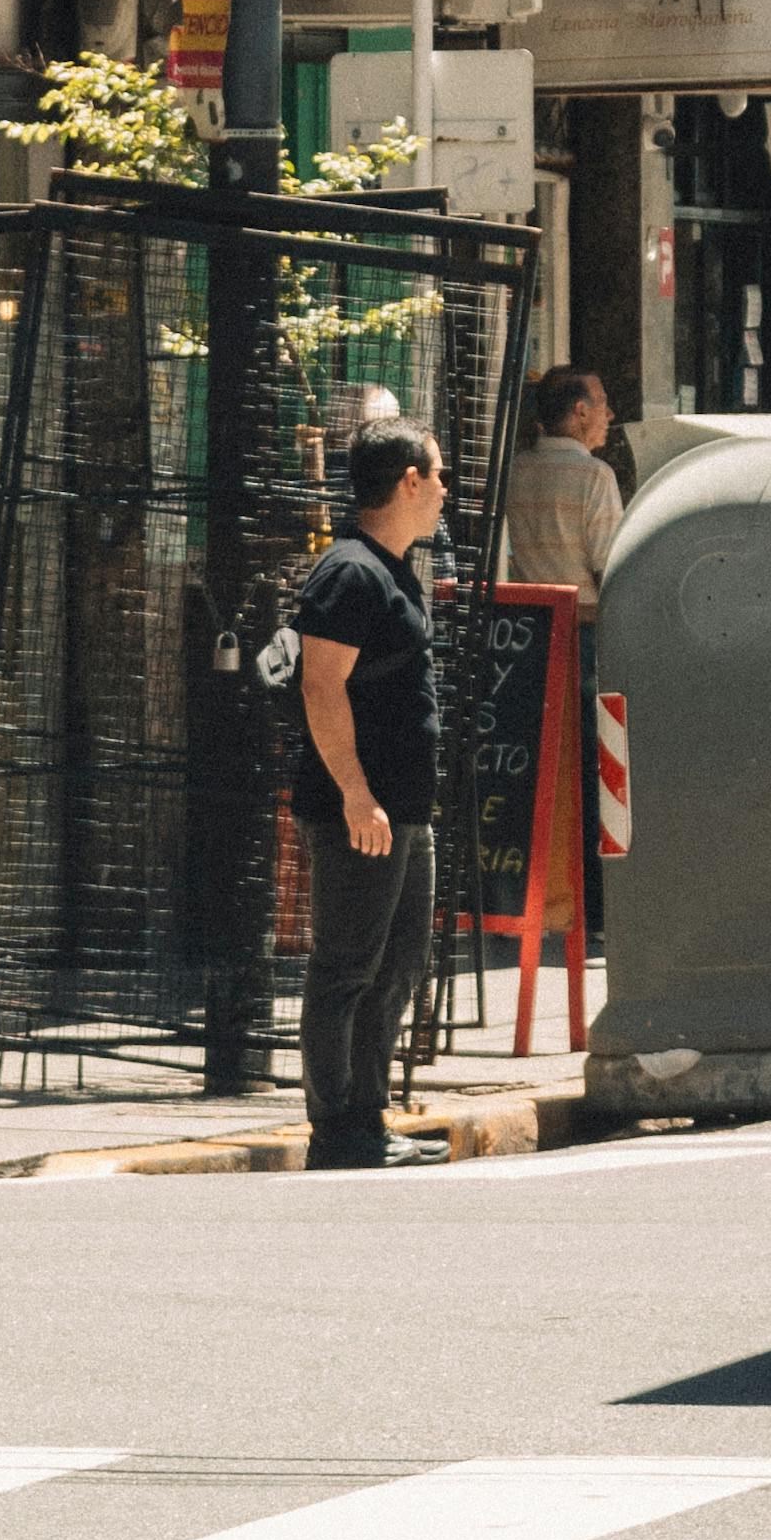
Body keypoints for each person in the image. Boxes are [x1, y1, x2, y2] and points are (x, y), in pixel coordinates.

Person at [291, 421, 448, 1172]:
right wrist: (356, 793)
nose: (446, 491)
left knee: (398, 966)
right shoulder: (349, 572)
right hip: (361, 809)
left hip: (403, 809)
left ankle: (368, 1117)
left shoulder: (390, 569)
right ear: (409, 481)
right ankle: (335, 1128)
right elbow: (319, 686)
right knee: (347, 968)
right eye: (439, 476)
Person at [506, 365, 622, 605]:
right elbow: (610, 570)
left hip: (528, 618)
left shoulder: (516, 470)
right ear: (581, 412)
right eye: (602, 403)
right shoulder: (596, 476)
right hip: (582, 618)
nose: (610, 415)